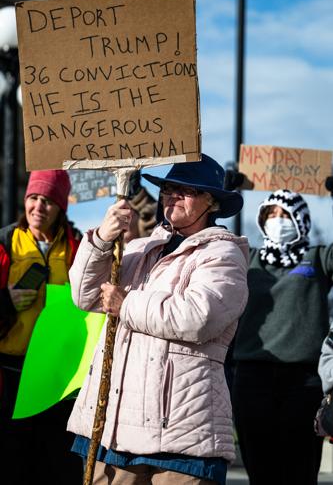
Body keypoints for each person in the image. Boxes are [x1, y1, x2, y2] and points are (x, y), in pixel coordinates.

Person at [67, 153, 249, 484]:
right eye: (168, 188)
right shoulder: (138, 248)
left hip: (182, 435)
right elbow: (85, 295)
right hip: (116, 428)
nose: (172, 195)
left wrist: (126, 304)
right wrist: (100, 241)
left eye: (186, 190)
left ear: (212, 202)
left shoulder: (224, 255)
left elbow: (198, 317)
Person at [231, 187, 333, 485]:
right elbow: (207, 244)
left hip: (303, 381)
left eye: (284, 214)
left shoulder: (318, 257)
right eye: (270, 214)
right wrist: (225, 196)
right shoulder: (246, 257)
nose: (277, 220)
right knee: (260, 469)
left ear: (300, 219)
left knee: (300, 470)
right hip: (251, 377)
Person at [0, 169, 83, 485]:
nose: (38, 207)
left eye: (48, 200)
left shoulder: (77, 245)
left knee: (56, 465)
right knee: (12, 462)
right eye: (33, 198)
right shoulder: (5, 241)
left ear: (61, 207)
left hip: (58, 379)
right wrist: (7, 301)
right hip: (11, 376)